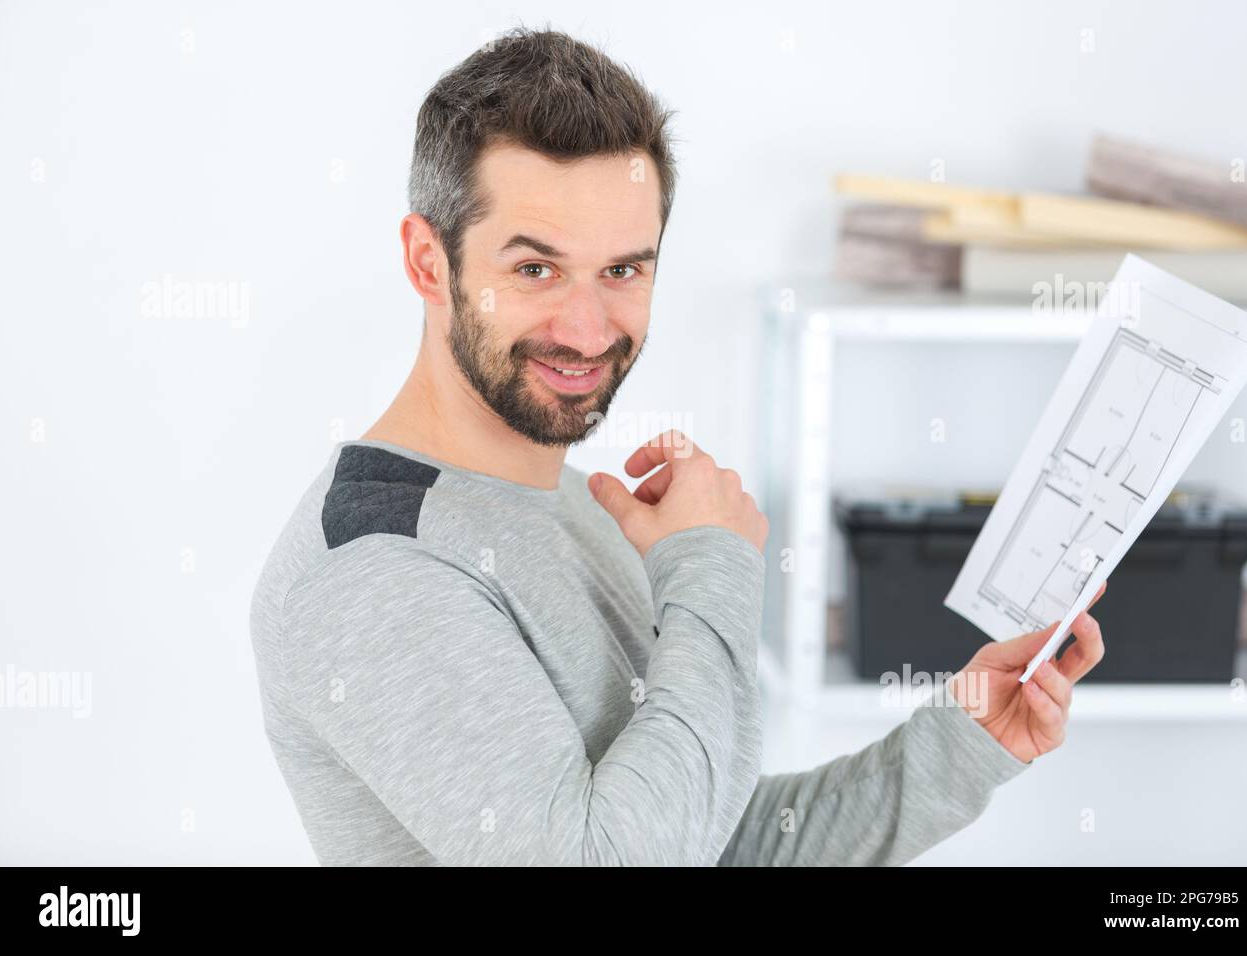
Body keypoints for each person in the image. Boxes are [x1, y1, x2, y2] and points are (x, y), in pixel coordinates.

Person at [249, 25, 1106, 866]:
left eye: (622, 269)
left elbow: (707, 839)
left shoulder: (576, 503)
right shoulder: (376, 566)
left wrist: (958, 745)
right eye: (536, 270)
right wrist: (711, 570)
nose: (587, 330)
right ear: (429, 263)